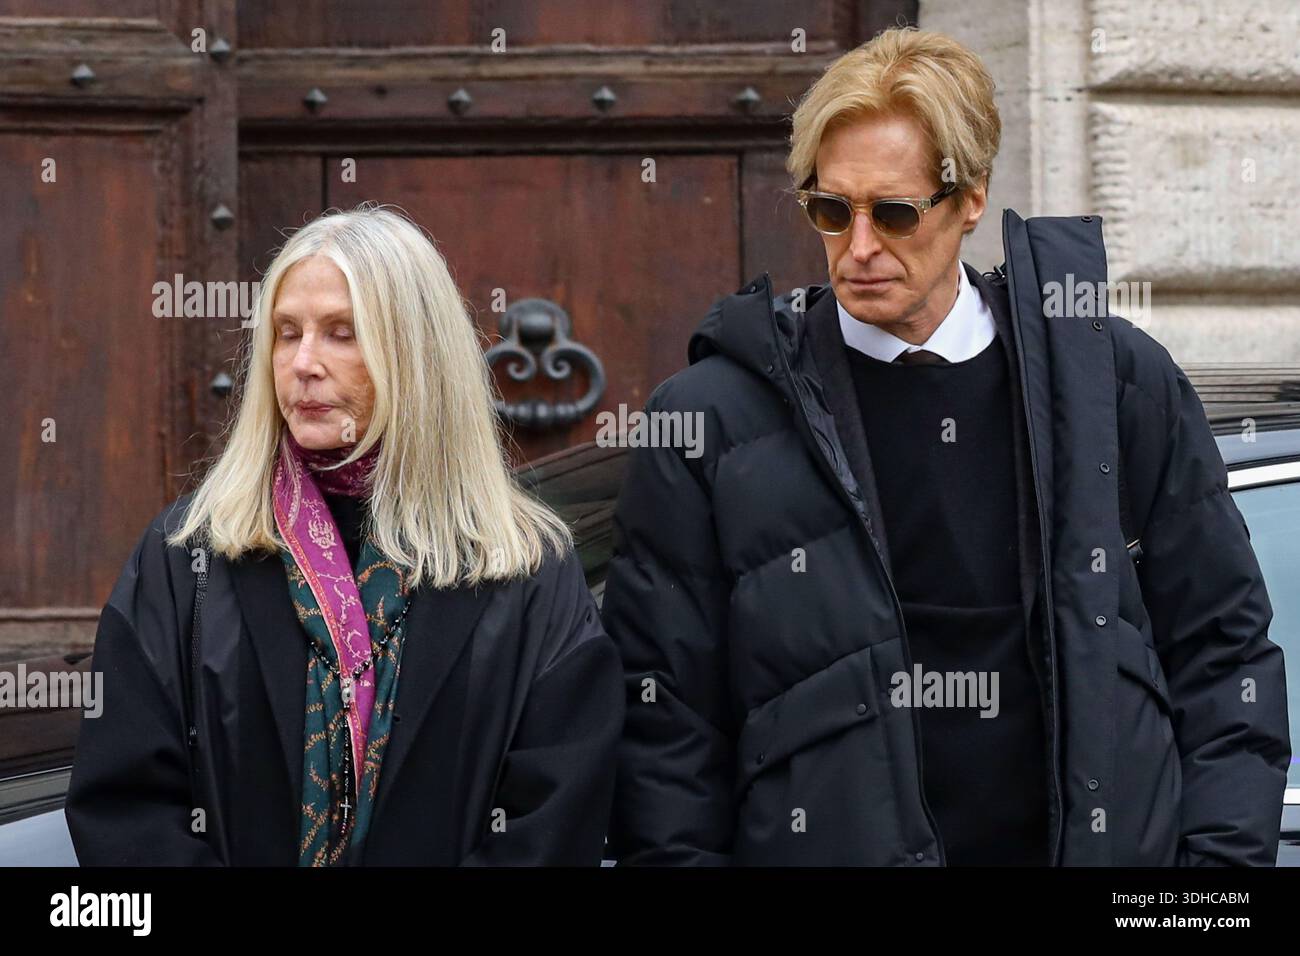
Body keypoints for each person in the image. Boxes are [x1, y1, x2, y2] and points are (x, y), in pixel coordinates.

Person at [603, 27, 1289, 866]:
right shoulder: (711, 420)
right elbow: (665, 735)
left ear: (970, 200)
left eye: (893, 213)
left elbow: (1225, 661)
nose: (858, 248)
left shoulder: (1114, 384)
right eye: (830, 209)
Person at [65, 204, 623, 866]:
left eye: (342, 333)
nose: (302, 363)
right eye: (285, 332)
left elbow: (555, 821)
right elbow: (125, 805)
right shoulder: (189, 556)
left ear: (417, 355)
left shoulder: (526, 568)